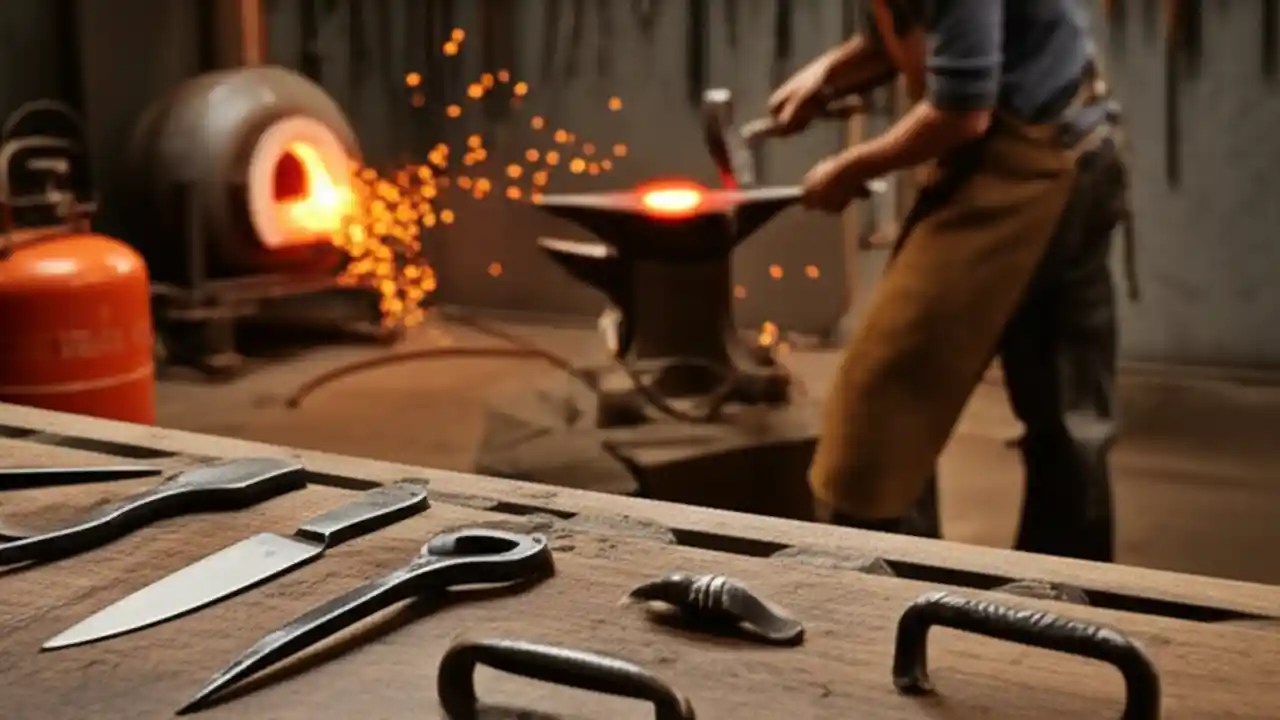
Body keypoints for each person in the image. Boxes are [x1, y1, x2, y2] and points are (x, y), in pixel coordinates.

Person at [766, 0, 1130, 562]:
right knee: (1067, 410)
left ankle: (900, 592)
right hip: (1072, 139)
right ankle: (1049, 597)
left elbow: (962, 112)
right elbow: (915, 25)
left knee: (882, 398)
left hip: (1038, 164)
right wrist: (828, 77)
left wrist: (850, 168)